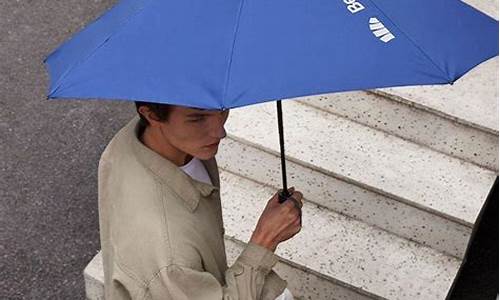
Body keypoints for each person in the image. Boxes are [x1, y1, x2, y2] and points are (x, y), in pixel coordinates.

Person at [97, 100, 303, 299]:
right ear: (151, 115)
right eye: (197, 118)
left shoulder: (140, 138)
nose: (220, 131)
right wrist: (265, 239)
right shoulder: (168, 252)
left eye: (222, 109)